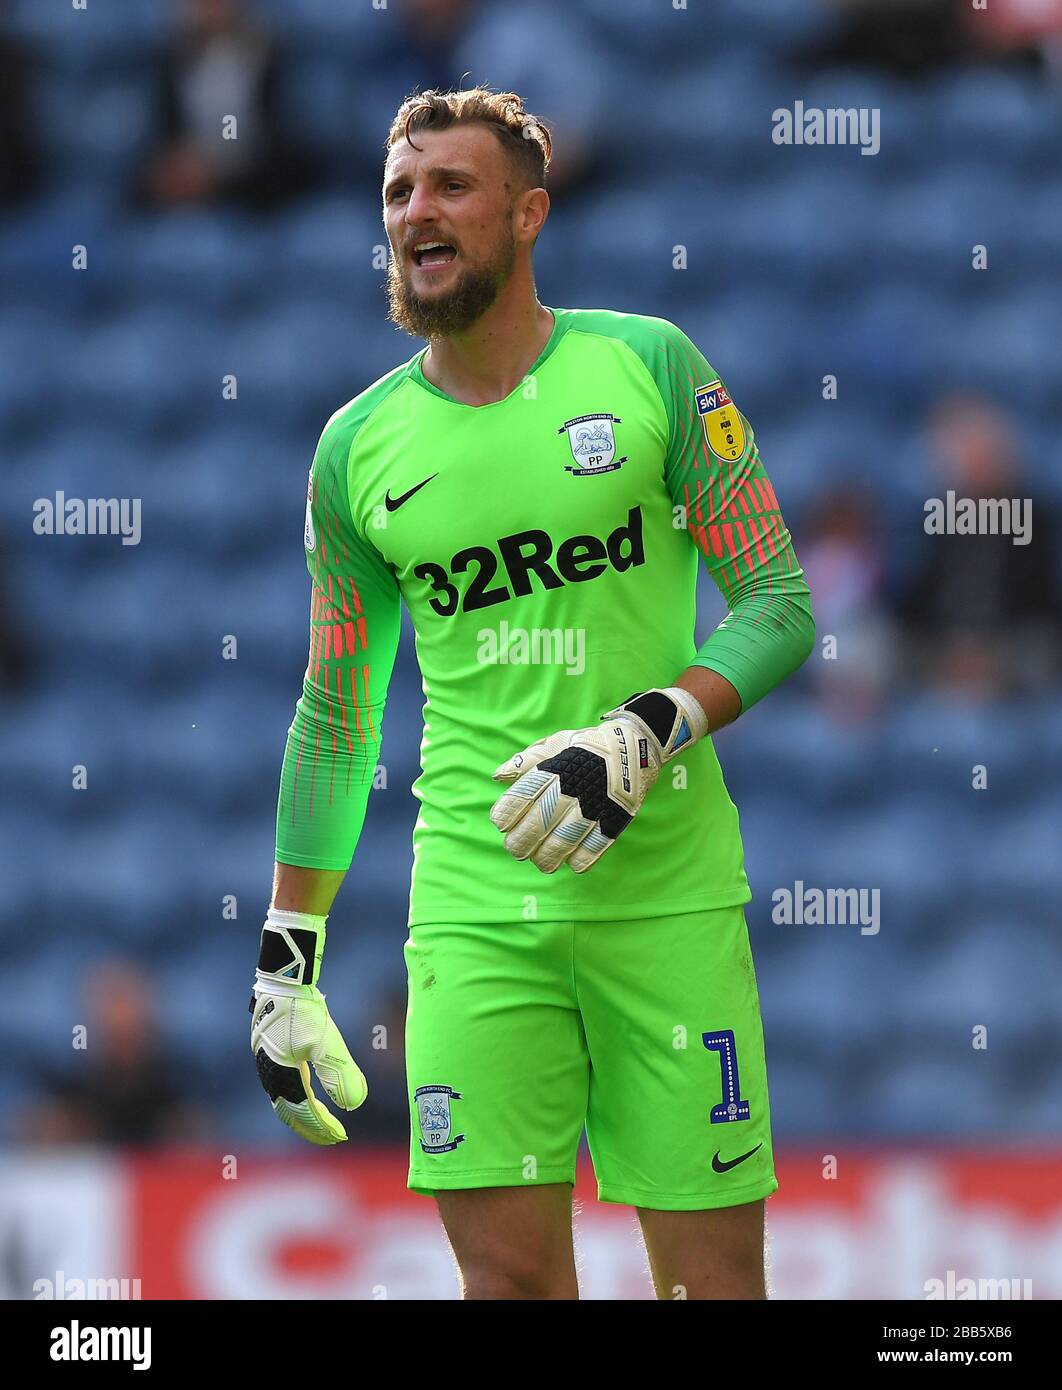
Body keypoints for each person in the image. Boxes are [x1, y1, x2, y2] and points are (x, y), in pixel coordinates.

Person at [249, 87, 815, 1301]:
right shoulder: (356, 449)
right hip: (471, 908)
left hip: (665, 900)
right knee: (505, 1289)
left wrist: (649, 725)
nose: (417, 212)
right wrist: (287, 960)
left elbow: (778, 601)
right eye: (399, 192)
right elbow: (337, 713)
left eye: (451, 187)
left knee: (709, 1293)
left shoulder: (650, 365)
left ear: (529, 214)